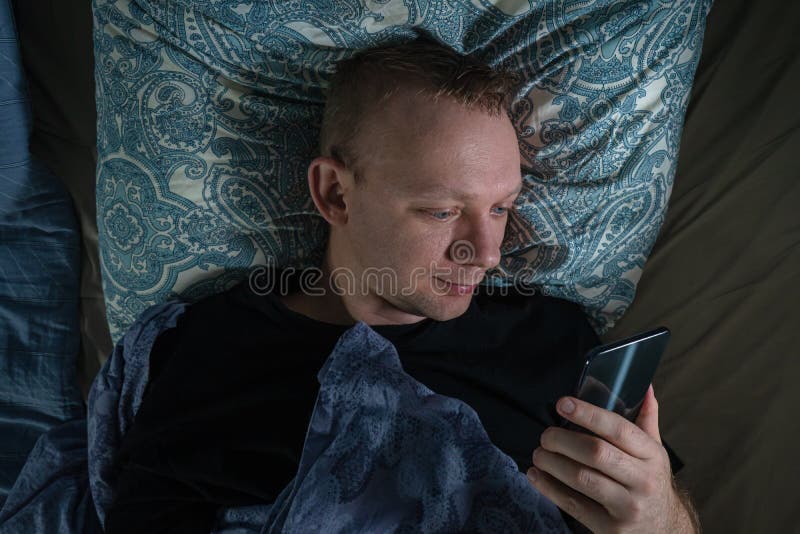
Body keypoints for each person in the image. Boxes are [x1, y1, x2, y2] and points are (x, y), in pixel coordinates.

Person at [105, 37, 700, 533]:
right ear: (335, 193)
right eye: (442, 211)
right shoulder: (209, 353)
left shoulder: (552, 341)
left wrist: (662, 518)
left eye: (500, 207)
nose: (488, 253)